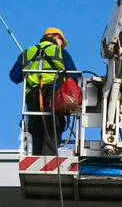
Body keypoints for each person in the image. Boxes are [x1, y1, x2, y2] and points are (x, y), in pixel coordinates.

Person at [10, 27, 77, 157]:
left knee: (36, 130)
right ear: (56, 38)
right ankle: (49, 160)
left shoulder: (28, 53)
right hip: (54, 96)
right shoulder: (60, 52)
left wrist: (28, 67)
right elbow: (74, 76)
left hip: (32, 98)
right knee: (53, 129)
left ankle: (36, 157)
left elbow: (14, 77)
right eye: (60, 41)